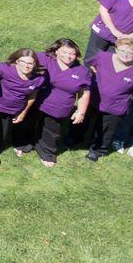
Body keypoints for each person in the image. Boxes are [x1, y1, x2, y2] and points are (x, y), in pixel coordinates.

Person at [0, 48, 46, 164]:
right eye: (23, 62)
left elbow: (32, 96)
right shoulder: (3, 68)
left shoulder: (39, 79)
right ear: (16, 61)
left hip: (12, 109)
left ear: (35, 64)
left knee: (1, 132)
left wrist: (23, 113)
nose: (26, 66)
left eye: (30, 63)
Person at [84, 37, 133, 162]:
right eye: (122, 50)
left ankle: (97, 150)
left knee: (105, 129)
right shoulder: (102, 57)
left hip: (115, 106)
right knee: (85, 120)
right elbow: (91, 65)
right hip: (94, 99)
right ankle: (75, 139)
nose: (125, 55)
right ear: (116, 49)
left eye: (130, 53)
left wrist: (128, 93)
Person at [34, 39, 91, 167]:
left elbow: (84, 93)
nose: (68, 56)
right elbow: (23, 59)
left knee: (51, 132)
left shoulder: (82, 71)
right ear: (56, 51)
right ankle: (25, 144)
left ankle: (47, 153)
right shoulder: (44, 58)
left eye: (72, 53)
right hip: (36, 102)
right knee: (29, 124)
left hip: (58, 108)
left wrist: (80, 112)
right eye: (64, 52)